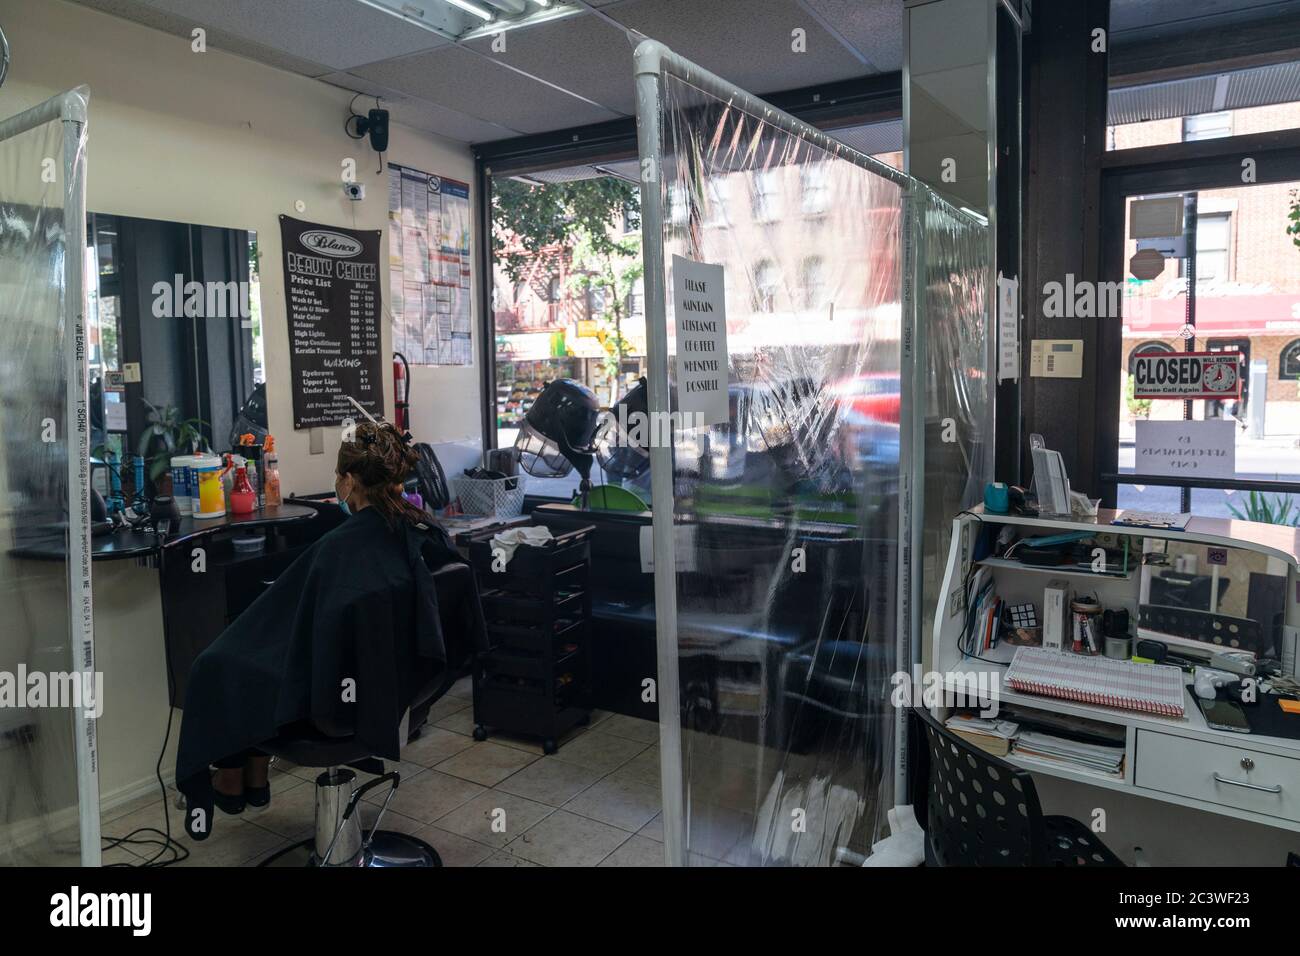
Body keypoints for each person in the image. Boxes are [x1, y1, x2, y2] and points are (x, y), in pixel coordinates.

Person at [177, 420, 456, 835]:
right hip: (395, 688)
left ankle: (233, 774)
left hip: (337, 707)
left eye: (338, 477)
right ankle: (248, 768)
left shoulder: (339, 550)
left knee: (215, 665)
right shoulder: (419, 531)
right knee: (252, 665)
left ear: (347, 481)